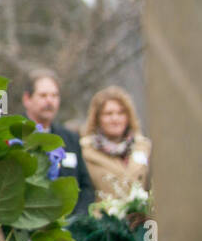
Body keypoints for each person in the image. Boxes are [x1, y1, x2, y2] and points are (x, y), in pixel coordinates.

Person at [21, 69, 96, 218]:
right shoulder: (13, 134)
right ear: (27, 99)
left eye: (54, 96)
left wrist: (76, 220)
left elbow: (86, 187)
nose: (50, 101)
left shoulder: (71, 139)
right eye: (43, 95)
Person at [80, 87, 151, 202]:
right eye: (108, 114)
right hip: (103, 218)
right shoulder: (85, 151)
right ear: (97, 118)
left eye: (121, 113)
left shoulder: (144, 147)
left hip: (140, 218)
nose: (115, 119)